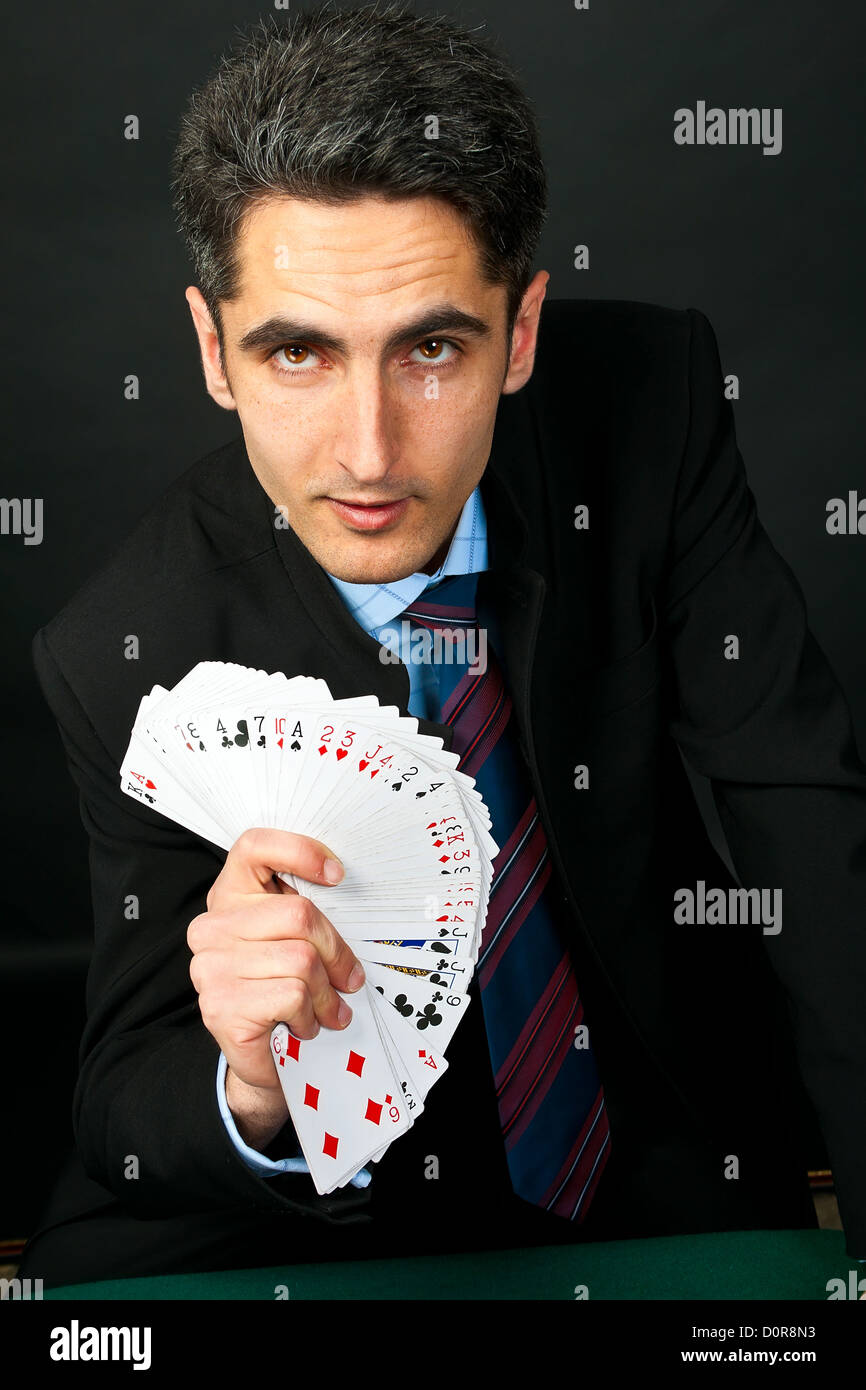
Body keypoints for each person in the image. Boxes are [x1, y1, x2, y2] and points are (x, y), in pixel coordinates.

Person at [19, 3, 866, 1288]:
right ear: (212, 352)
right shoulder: (127, 646)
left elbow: (812, 831)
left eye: (429, 349)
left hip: (652, 1146)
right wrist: (250, 1085)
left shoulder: (650, 408)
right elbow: (123, 1089)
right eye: (295, 353)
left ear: (518, 332)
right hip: (301, 1224)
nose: (368, 453)